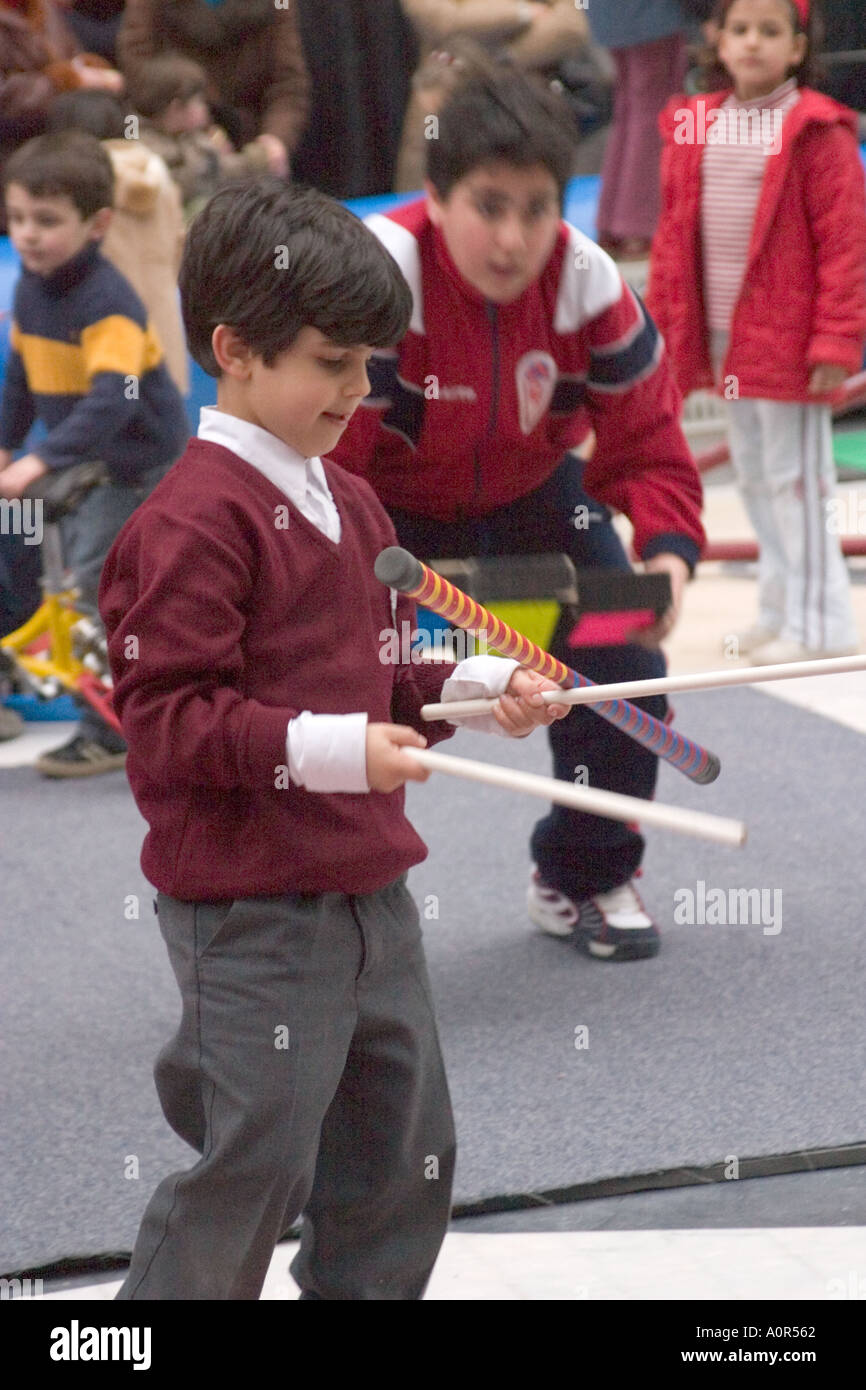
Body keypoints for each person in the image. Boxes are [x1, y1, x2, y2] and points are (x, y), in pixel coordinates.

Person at [97, 178, 566, 1300]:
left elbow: (382, 666)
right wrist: (337, 748)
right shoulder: (186, 523)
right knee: (250, 1165)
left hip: (370, 893)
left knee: (405, 1158)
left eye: (368, 365)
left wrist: (475, 686)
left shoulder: (348, 503)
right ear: (234, 350)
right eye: (330, 364)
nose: (357, 393)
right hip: (251, 908)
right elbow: (166, 723)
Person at [331, 57, 706, 963]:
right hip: (386, 521)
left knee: (624, 656)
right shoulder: (375, 282)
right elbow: (323, 463)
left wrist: (667, 554)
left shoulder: (589, 284)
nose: (513, 238)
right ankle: (336, 906)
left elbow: (651, 443)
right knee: (350, 687)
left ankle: (584, 873)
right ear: (436, 196)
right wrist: (338, 585)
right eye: (488, 207)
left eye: (537, 208)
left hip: (541, 502)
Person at [647, 0, 865, 664]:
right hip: (723, 341)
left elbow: (845, 246)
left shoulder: (816, 131)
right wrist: (661, 329)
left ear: (798, 49)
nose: (752, 43)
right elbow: (671, 236)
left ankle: (820, 620)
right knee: (756, 481)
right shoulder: (696, 125)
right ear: (718, 38)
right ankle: (779, 608)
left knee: (800, 481)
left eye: (770, 32)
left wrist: (834, 340)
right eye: (740, 29)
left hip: (789, 346)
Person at [0, 131, 189, 773]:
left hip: (132, 465)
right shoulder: (29, 289)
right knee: (53, 566)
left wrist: (42, 457)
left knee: (95, 591)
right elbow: (20, 378)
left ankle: (110, 728)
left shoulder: (109, 301)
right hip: (83, 460)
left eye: (47, 221)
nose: (27, 234)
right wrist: (6, 444)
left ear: (98, 224)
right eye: (17, 218)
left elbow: (117, 401)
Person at [46, 89, 189, 394]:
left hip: (103, 343)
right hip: (162, 343)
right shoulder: (157, 171)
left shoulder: (77, 182)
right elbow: (180, 250)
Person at [394, 0, 590, 192]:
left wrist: (498, 60)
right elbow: (441, 20)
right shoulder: (433, 103)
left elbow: (571, 25)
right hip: (442, 84)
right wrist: (523, 11)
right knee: (423, 165)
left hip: (523, 94)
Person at [116, 0, 310, 179]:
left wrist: (276, 139)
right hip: (171, 131)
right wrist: (193, 114)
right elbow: (136, 66)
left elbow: (288, 83)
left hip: (249, 138)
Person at [585, 1, 694, 258]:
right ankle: (638, 226)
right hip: (650, 14)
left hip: (610, 13)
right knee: (653, 106)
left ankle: (612, 223)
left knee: (629, 104)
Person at [125, 53, 287, 221]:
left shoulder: (189, 136)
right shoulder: (144, 147)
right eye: (198, 102)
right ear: (176, 108)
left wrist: (257, 160)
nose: (204, 109)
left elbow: (220, 170)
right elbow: (190, 183)